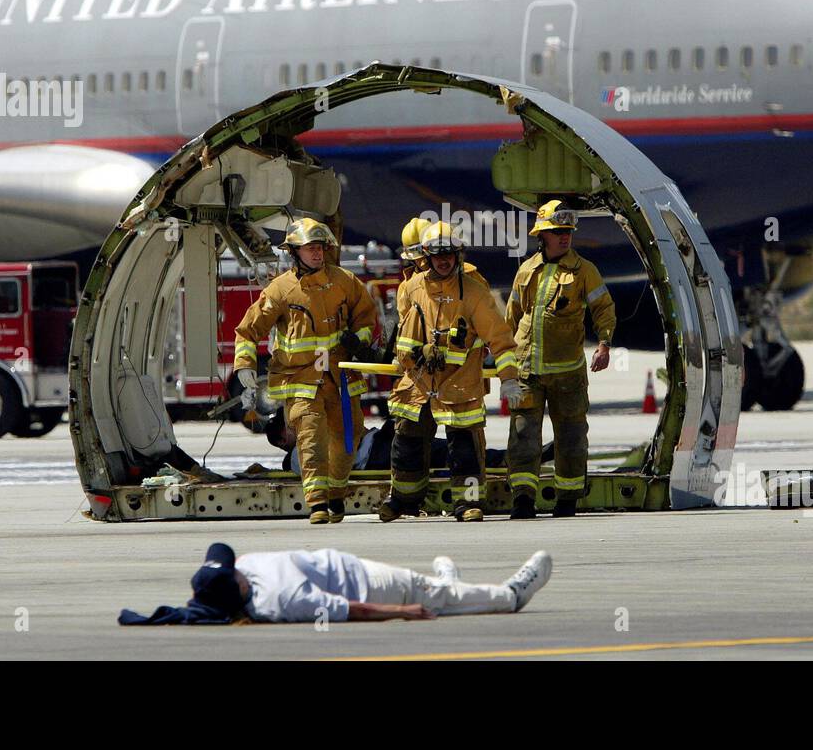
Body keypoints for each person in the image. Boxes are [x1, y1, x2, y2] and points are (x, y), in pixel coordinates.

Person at [232, 218, 384, 525]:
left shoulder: (344, 281)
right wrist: (244, 365)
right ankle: (317, 504)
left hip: (341, 378)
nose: (317, 254)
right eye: (310, 249)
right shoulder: (281, 290)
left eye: (320, 248)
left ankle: (336, 497)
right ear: (295, 252)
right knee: (311, 439)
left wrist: (359, 339)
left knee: (347, 440)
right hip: (300, 379)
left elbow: (367, 319)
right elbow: (248, 330)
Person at [381, 221, 524, 522]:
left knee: (465, 450)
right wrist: (418, 353)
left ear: (458, 256)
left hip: (460, 384)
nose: (443, 259)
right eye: (437, 254)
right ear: (427, 257)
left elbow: (500, 338)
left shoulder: (473, 292)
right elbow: (404, 340)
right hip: (418, 384)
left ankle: (468, 503)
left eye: (449, 254)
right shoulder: (413, 289)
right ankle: (403, 502)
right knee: (406, 443)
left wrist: (509, 379)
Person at [504, 201, 616, 519]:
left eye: (567, 232)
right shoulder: (526, 270)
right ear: (543, 236)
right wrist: (499, 356)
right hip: (528, 370)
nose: (564, 237)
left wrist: (604, 344)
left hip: (568, 374)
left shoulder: (584, 271)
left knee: (571, 437)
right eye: (557, 232)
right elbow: (511, 317)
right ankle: (523, 499)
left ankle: (567, 499)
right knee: (523, 435)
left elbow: (604, 309)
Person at [119, 543, 553, 624]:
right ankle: (509, 597)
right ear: (234, 587)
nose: (234, 564)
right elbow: (348, 610)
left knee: (431, 589)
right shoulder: (282, 601)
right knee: (429, 597)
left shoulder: (243, 570)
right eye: (229, 569)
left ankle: (447, 585)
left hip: (349, 565)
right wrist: (399, 612)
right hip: (369, 588)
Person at [259, 408, 534, 473]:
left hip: (378, 442)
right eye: (289, 426)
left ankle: (502, 457)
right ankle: (505, 459)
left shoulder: (302, 448)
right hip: (376, 452)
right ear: (284, 438)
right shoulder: (296, 457)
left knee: (439, 449)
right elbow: (341, 451)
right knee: (442, 453)